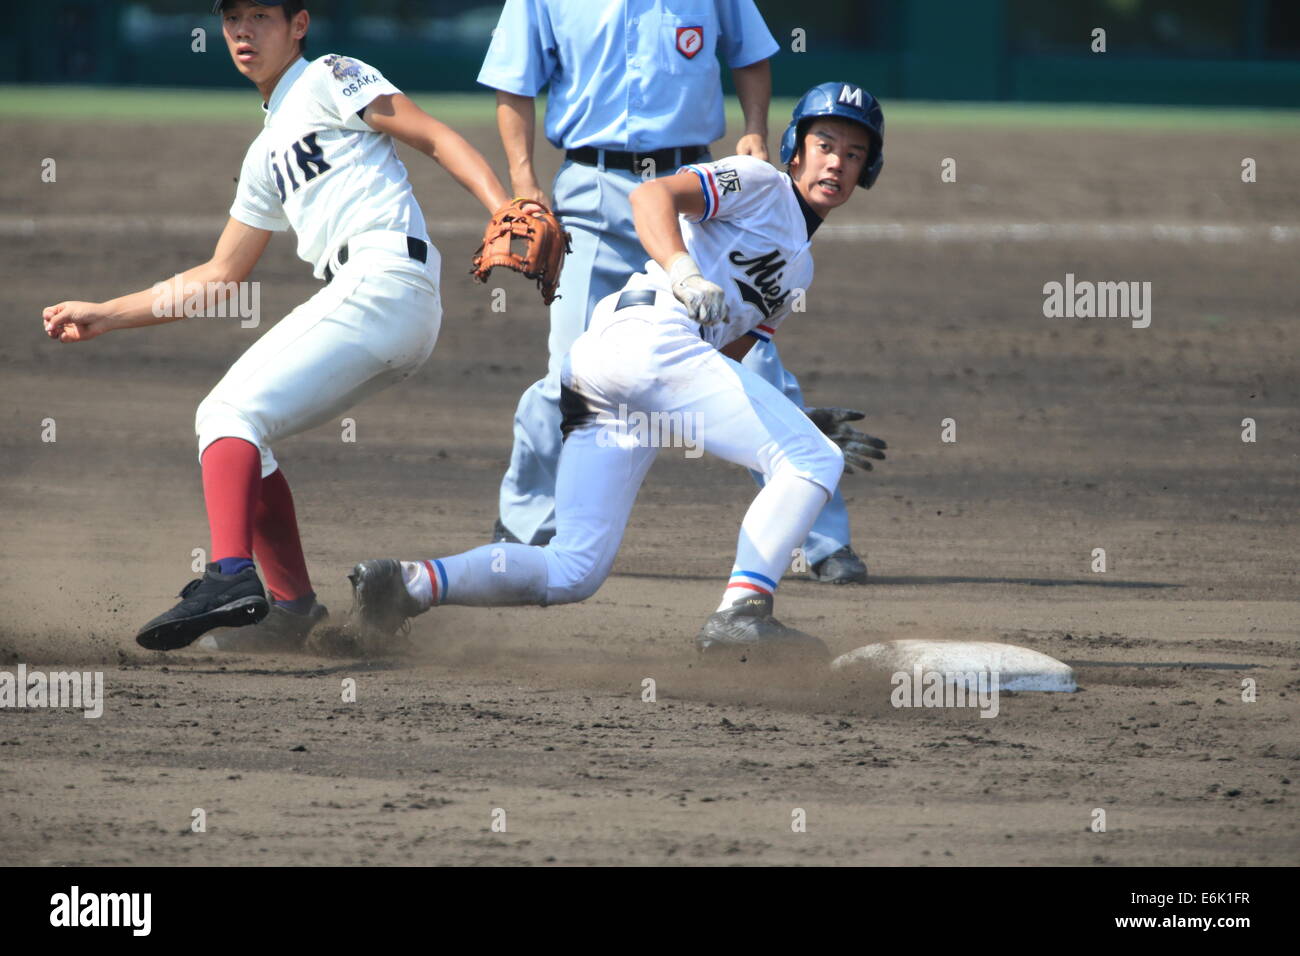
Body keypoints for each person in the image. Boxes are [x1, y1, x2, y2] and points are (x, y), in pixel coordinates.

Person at [348, 82, 887, 660]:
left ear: (866, 171)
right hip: (647, 341)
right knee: (812, 460)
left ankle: (406, 584)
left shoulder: (799, 270)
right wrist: (682, 270)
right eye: (825, 143)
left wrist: (790, 416)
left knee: (574, 568)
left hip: (623, 369)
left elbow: (721, 366)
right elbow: (651, 195)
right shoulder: (757, 182)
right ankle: (742, 610)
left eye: (854, 154)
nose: (836, 162)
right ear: (796, 149)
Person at [41, 0, 513, 653]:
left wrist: (506, 212)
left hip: (381, 282)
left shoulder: (330, 75)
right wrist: (108, 313)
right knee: (245, 433)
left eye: (261, 15)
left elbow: (433, 135)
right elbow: (221, 273)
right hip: (381, 302)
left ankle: (231, 574)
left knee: (226, 413)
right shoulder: (265, 152)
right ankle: (292, 609)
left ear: (298, 25)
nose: (242, 31)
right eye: (233, 18)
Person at [480, 0, 870, 584]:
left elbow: (752, 54)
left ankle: (820, 539)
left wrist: (756, 132)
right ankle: (525, 526)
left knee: (758, 366)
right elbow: (514, 82)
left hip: (697, 190)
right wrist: (524, 184)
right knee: (568, 369)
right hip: (592, 188)